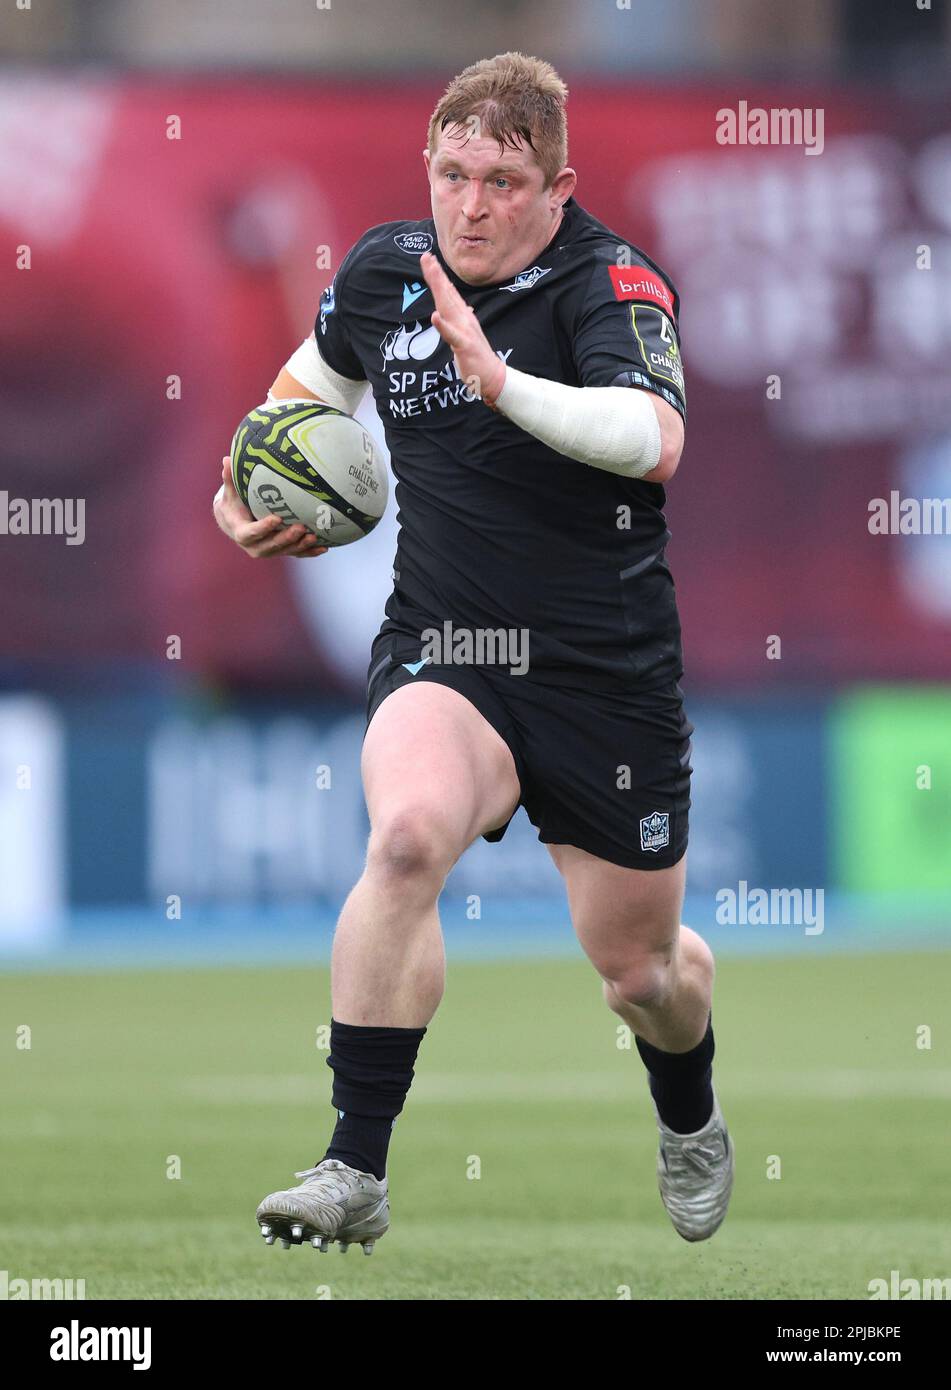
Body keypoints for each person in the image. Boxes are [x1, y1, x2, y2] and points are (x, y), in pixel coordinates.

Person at [214, 51, 733, 1256]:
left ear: (558, 187)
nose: (472, 202)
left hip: (606, 675)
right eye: (453, 172)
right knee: (404, 839)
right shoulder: (385, 271)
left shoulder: (610, 282)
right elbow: (296, 402)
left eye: (504, 179)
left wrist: (499, 381)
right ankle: (354, 1165)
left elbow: (653, 438)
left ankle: (690, 1108)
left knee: (643, 975)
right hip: (448, 645)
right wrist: (240, 494)